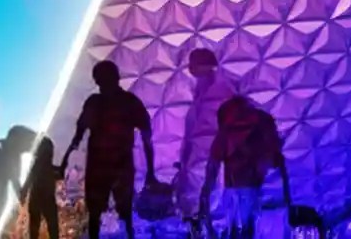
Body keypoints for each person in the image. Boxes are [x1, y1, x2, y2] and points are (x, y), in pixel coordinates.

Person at [60, 60, 159, 239]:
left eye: (102, 79)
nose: (100, 84)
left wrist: (64, 161)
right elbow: (146, 137)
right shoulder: (122, 102)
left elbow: (78, 136)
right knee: (108, 214)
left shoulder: (121, 102)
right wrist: (150, 171)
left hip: (110, 167)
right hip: (109, 167)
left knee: (116, 214)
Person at [200, 96, 291, 239]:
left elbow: (213, 167)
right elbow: (277, 160)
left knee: (240, 229)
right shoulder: (264, 125)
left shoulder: (227, 132)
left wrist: (205, 198)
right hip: (267, 189)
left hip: (239, 189)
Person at [175, 48, 240, 220]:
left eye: (194, 65)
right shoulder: (201, 90)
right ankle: (197, 217)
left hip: (213, 149)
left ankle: (209, 218)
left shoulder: (221, 88)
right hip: (200, 150)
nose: (191, 69)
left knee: (212, 188)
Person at [22, 136, 61, 239]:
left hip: (37, 199)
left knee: (35, 229)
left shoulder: (37, 166)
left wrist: (23, 193)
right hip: (45, 199)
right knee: (52, 228)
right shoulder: (47, 167)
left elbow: (28, 181)